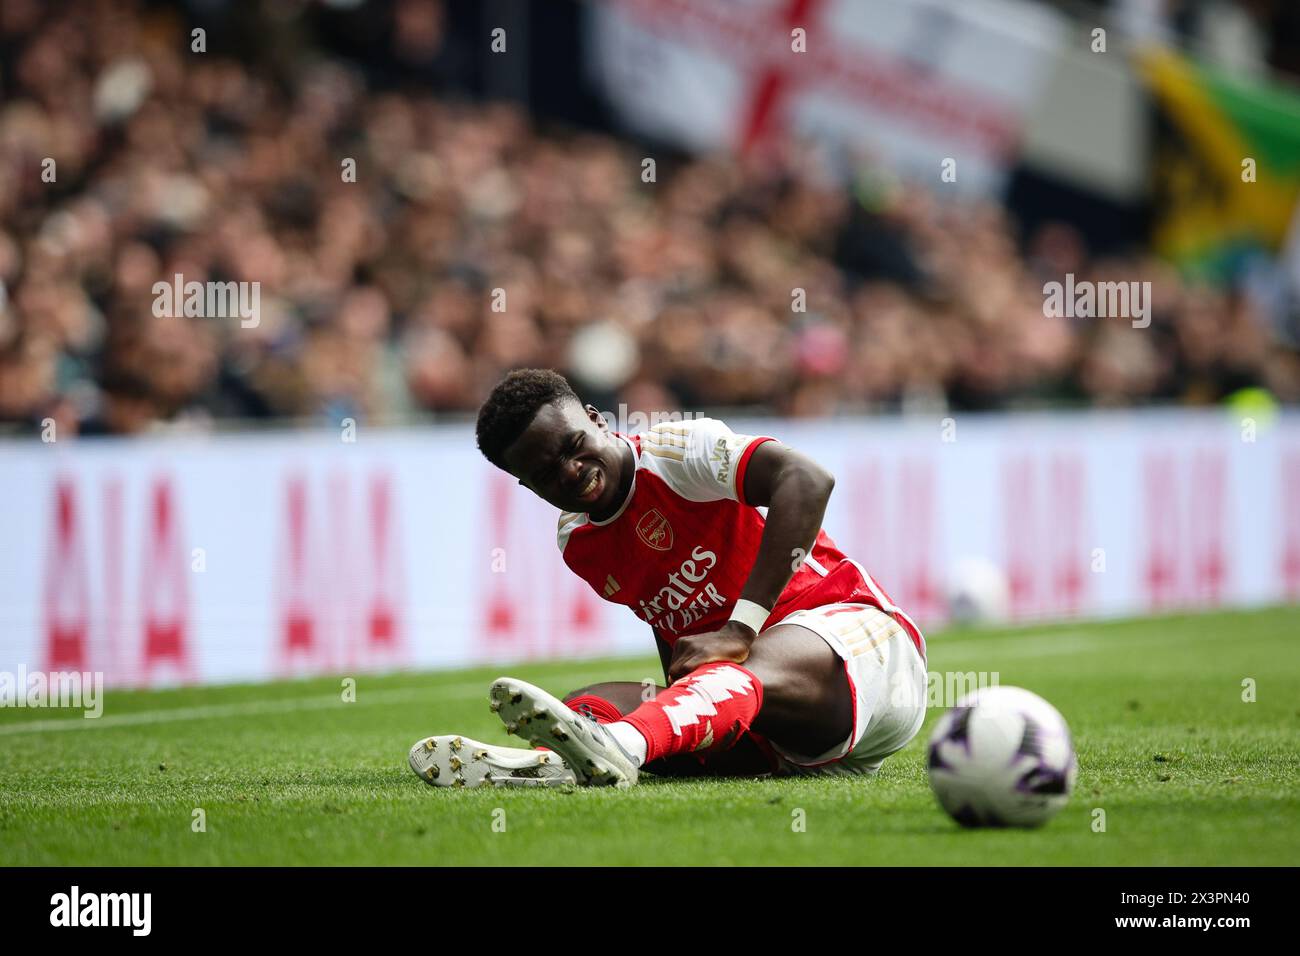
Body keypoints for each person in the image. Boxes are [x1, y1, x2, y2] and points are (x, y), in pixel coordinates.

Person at [408, 368, 928, 788]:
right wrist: (686, 694)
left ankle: (620, 747)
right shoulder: (579, 543)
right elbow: (673, 625)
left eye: (573, 445)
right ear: (528, 487)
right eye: (546, 474)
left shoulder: (677, 452)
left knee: (702, 689)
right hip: (782, 734)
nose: (570, 471)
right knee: (588, 706)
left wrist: (740, 629)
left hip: (861, 652)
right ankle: (556, 762)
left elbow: (809, 479)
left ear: (597, 419)